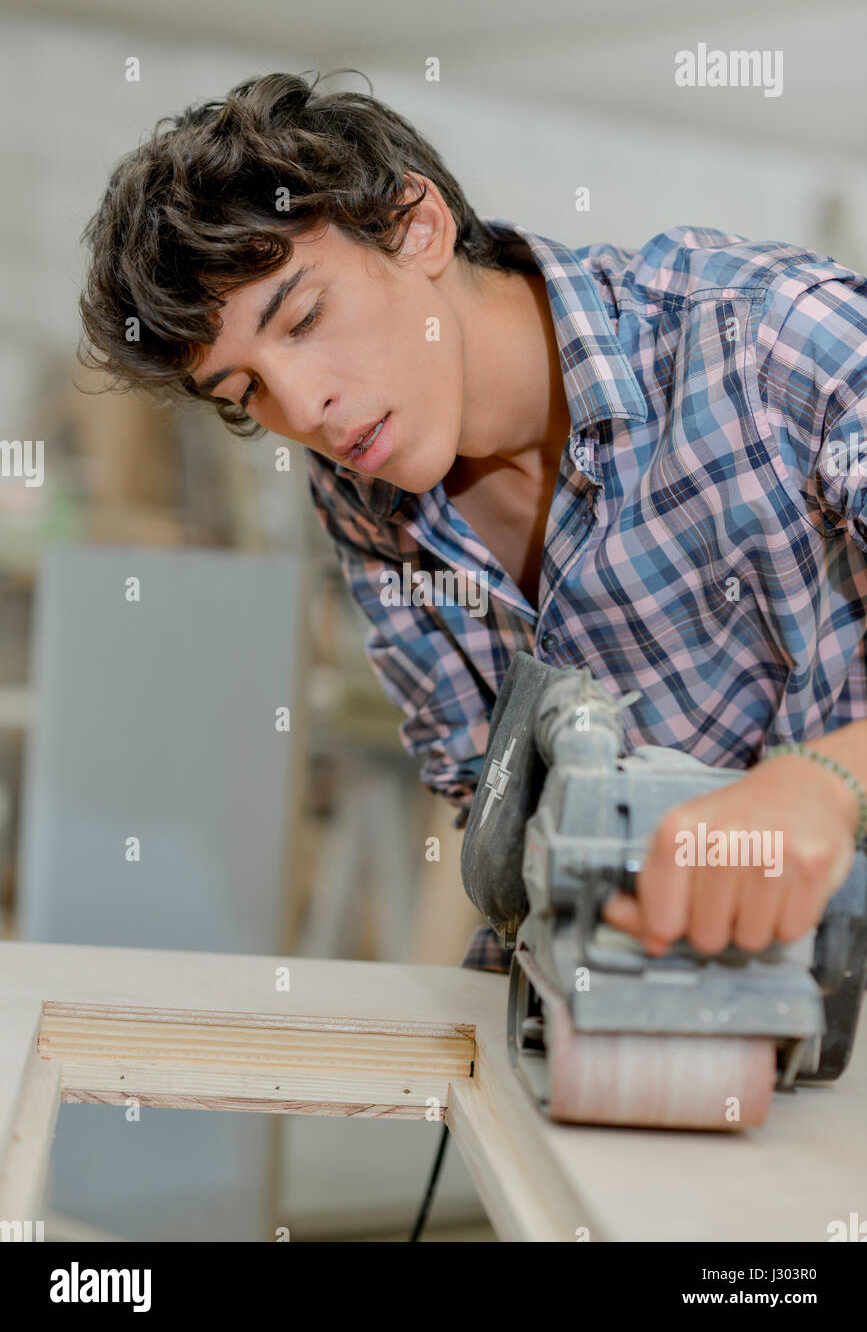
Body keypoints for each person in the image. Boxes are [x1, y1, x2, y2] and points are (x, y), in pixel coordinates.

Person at [78, 71, 867, 974]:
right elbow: (501, 819)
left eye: (303, 317)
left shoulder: (769, 344)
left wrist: (827, 783)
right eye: (247, 390)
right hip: (652, 1016)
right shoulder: (365, 496)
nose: (306, 409)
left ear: (417, 226)